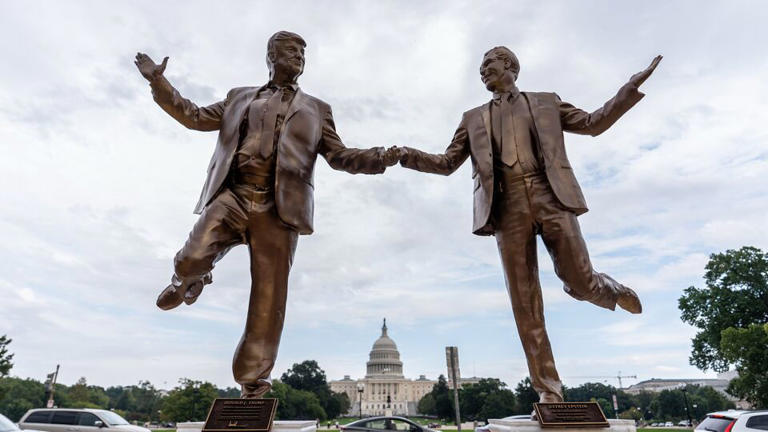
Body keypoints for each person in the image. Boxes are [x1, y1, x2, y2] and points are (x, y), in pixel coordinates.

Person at [134, 31, 400, 398]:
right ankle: (187, 280)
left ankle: (252, 380)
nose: (299, 59)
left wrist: (379, 157)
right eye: (292, 52)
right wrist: (158, 81)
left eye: (303, 54)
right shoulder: (238, 97)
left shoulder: (317, 109)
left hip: (278, 209)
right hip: (233, 194)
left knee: (268, 297)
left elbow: (339, 157)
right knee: (192, 255)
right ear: (271, 56)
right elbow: (192, 116)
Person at [397, 46, 661, 402]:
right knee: (525, 303)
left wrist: (628, 89)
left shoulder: (546, 102)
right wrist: (405, 155)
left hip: (551, 195)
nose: (482, 71)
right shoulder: (473, 118)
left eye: (488, 64)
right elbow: (447, 163)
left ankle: (611, 290)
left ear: (510, 66)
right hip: (506, 207)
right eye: (480, 68)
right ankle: (549, 391)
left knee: (579, 281)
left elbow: (593, 123)